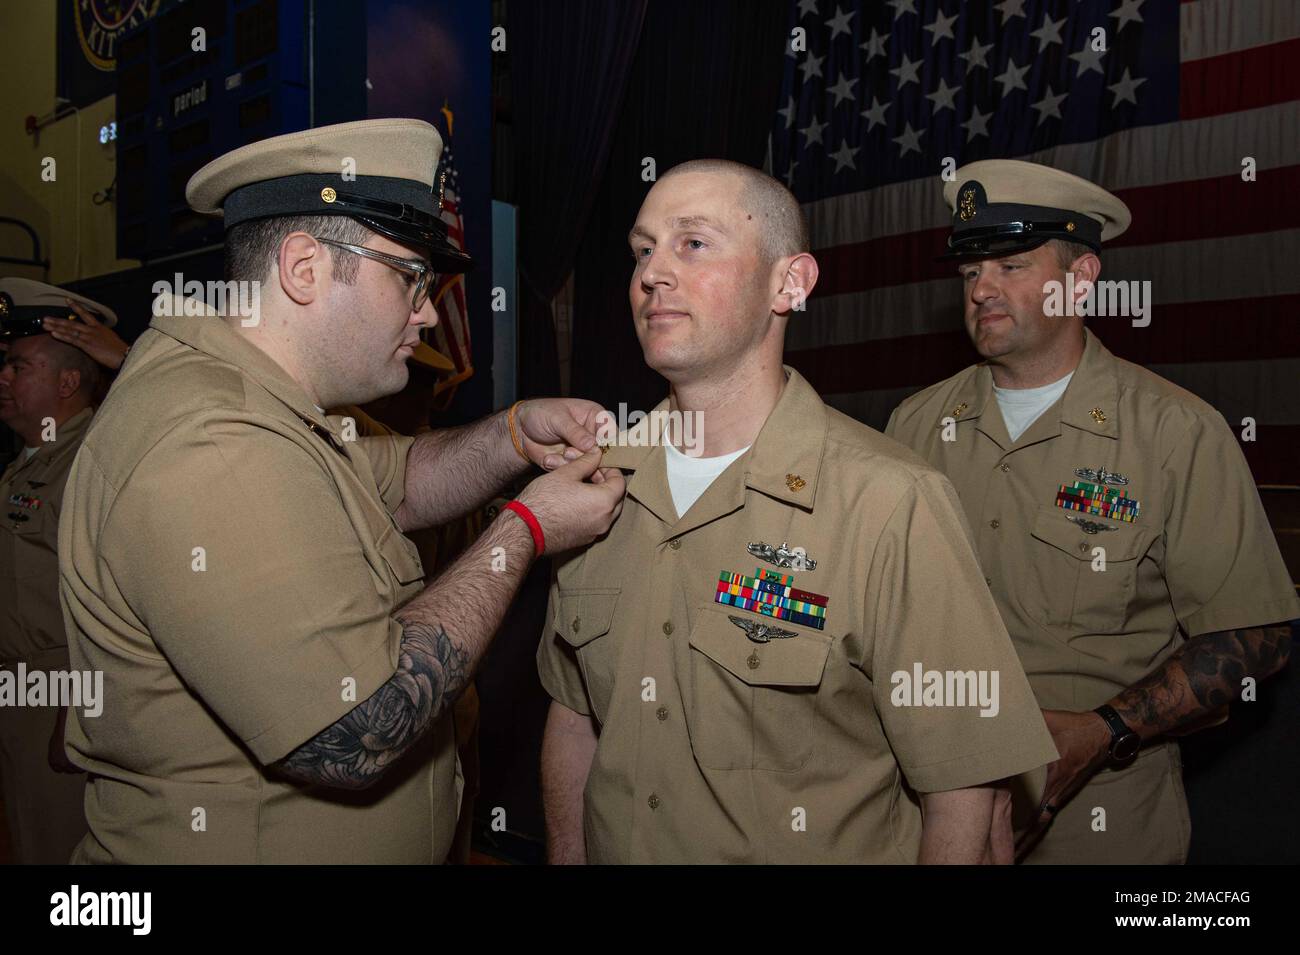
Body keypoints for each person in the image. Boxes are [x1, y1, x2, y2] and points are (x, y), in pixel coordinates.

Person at [58, 118, 625, 863]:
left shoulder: (265, 406)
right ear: (304, 267)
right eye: (409, 278)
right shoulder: (208, 443)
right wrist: (523, 529)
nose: (425, 312)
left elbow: (398, 484)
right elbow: (356, 730)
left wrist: (511, 436)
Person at [537, 159, 1058, 864]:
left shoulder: (890, 501)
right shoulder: (594, 486)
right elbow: (574, 719)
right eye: (642, 250)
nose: (652, 273)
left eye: (692, 243)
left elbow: (965, 791)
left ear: (791, 283)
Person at [885, 159, 1299, 863]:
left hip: (1101, 822)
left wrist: (1102, 730)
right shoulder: (916, 426)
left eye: (1011, 265)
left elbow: (1254, 637)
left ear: (1080, 280)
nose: (982, 288)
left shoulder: (1173, 433)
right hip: (924, 811)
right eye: (968, 274)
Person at [0, 278, 123, 863]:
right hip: (16, 690)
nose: (2, 377)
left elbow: (109, 598)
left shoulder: (93, 460)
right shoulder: (26, 464)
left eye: (19, 365)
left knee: (58, 848)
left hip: (55, 694)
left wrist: (75, 712)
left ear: (68, 382)